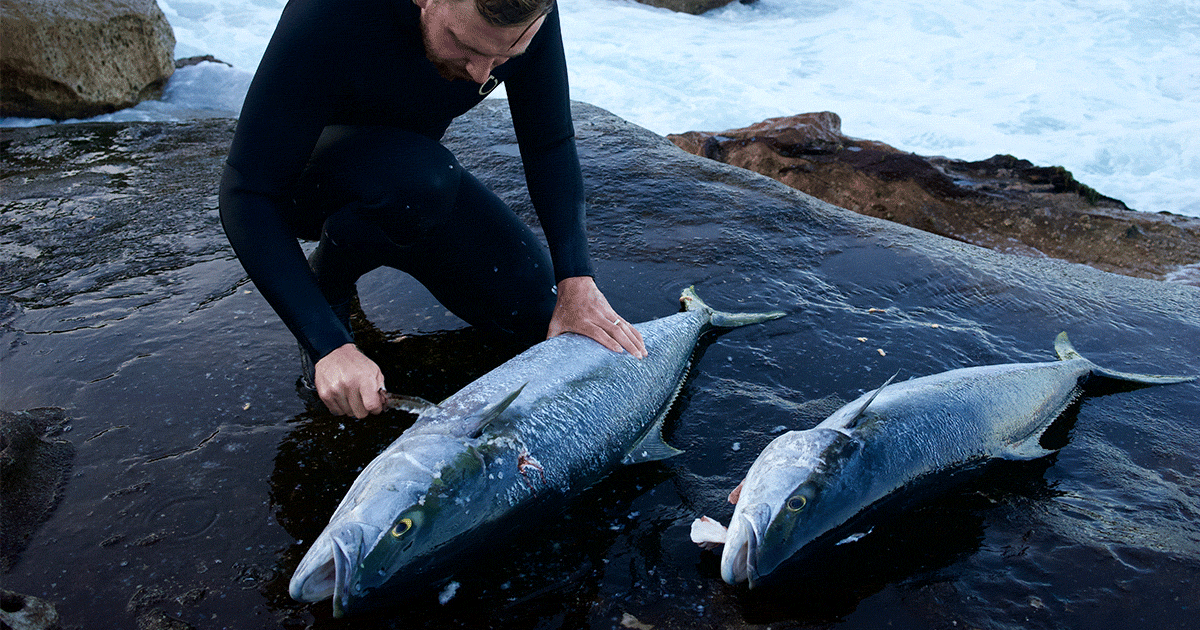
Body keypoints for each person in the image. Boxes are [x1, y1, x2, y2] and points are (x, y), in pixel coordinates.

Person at [219, 0, 645, 419]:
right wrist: (329, 345)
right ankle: (328, 282)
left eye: (505, 57)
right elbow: (246, 191)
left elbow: (548, 142)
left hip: (412, 184)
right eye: (466, 46)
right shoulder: (331, 12)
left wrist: (576, 279)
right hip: (309, 182)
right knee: (422, 178)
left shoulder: (529, 11)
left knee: (537, 313)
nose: (482, 74)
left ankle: (366, 235)